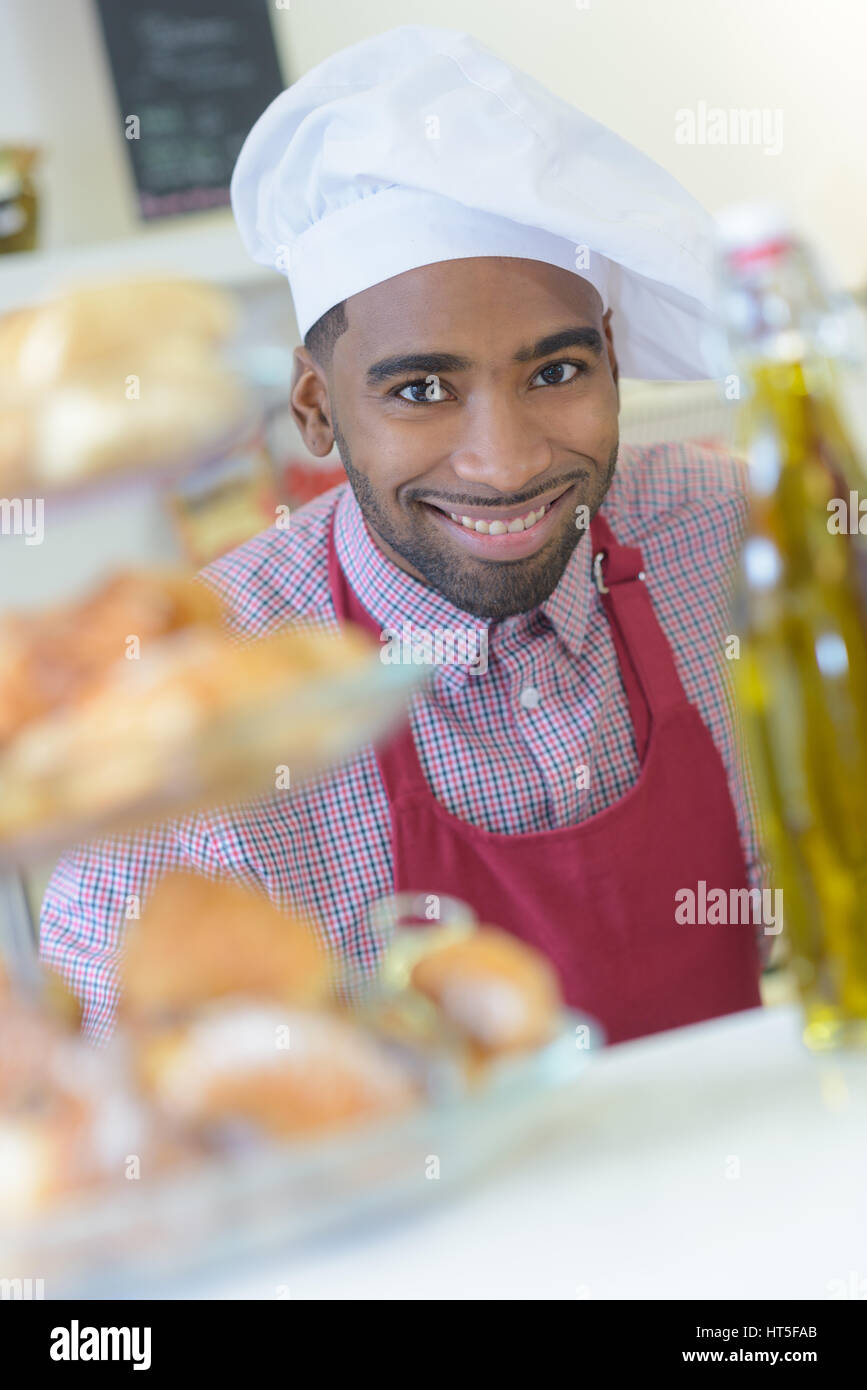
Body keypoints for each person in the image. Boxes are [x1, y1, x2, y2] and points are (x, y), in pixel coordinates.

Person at [41, 25, 766, 1046]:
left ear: (611, 356)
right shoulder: (204, 711)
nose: (506, 461)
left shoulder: (733, 537)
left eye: (555, 372)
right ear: (315, 406)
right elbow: (118, 1122)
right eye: (421, 390)